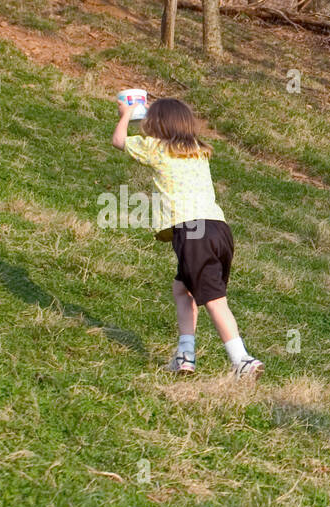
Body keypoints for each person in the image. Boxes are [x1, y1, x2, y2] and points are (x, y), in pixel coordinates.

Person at [112, 96, 263, 379]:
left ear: (156, 124)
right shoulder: (198, 149)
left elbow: (119, 141)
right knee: (183, 289)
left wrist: (127, 113)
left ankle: (241, 359)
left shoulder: (157, 148)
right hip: (218, 230)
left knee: (214, 299)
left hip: (193, 233)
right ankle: (185, 355)